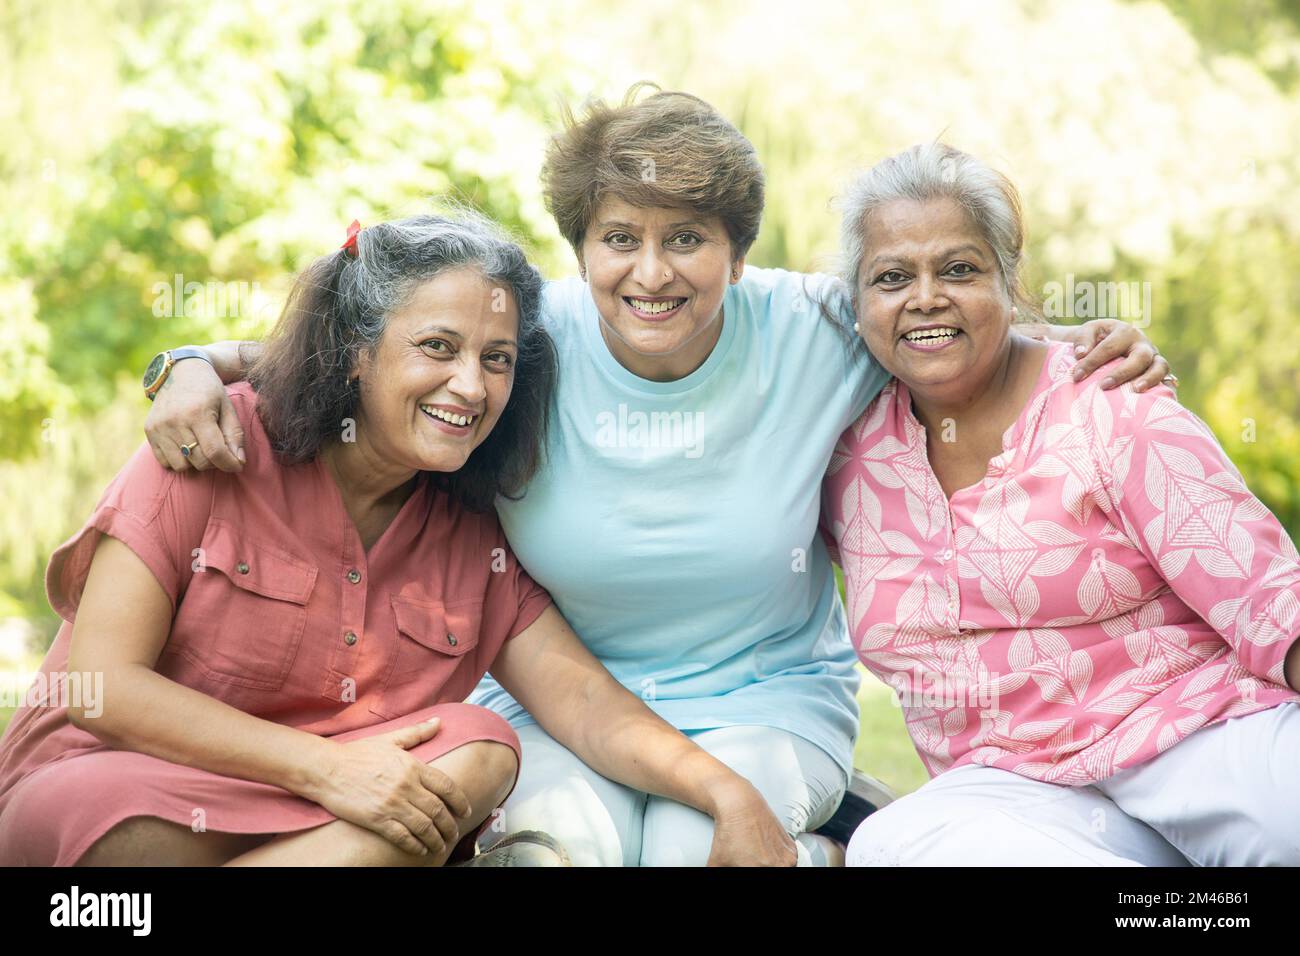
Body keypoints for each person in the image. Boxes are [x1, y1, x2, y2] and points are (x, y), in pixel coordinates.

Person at [139, 88, 1171, 866]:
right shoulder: (520, 330)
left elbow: (946, 319)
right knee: (553, 842)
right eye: (618, 238)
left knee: (692, 844)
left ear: (737, 251)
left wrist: (1081, 340)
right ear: (578, 246)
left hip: (764, 700)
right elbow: (353, 345)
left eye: (687, 239)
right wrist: (183, 364)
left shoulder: (814, 326)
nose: (651, 271)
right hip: (548, 705)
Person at [0, 212, 796, 867]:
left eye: (497, 360)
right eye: (438, 348)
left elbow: (586, 703)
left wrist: (728, 792)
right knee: (127, 838)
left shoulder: (472, 533)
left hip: (323, 822)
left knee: (481, 746)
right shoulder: (210, 441)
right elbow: (99, 687)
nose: (471, 387)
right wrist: (328, 770)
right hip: (124, 787)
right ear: (355, 352)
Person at [822, 143, 1300, 866]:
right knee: (891, 846)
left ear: (1009, 283)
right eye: (892, 277)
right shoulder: (842, 450)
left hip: (1198, 735)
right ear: (856, 307)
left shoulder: (1112, 406)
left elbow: (1271, 603)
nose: (925, 296)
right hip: (1014, 792)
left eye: (959, 269)